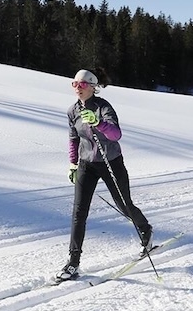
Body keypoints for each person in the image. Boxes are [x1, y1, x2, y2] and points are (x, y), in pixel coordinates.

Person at [58, 67, 154, 281]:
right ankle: (73, 262)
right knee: (78, 213)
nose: (77, 88)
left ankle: (145, 229)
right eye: (74, 84)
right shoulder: (72, 111)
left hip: (110, 162)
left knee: (124, 204)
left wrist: (98, 122)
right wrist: (73, 164)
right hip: (86, 164)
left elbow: (115, 134)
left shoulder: (104, 108)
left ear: (93, 87)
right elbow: (74, 138)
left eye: (82, 84)